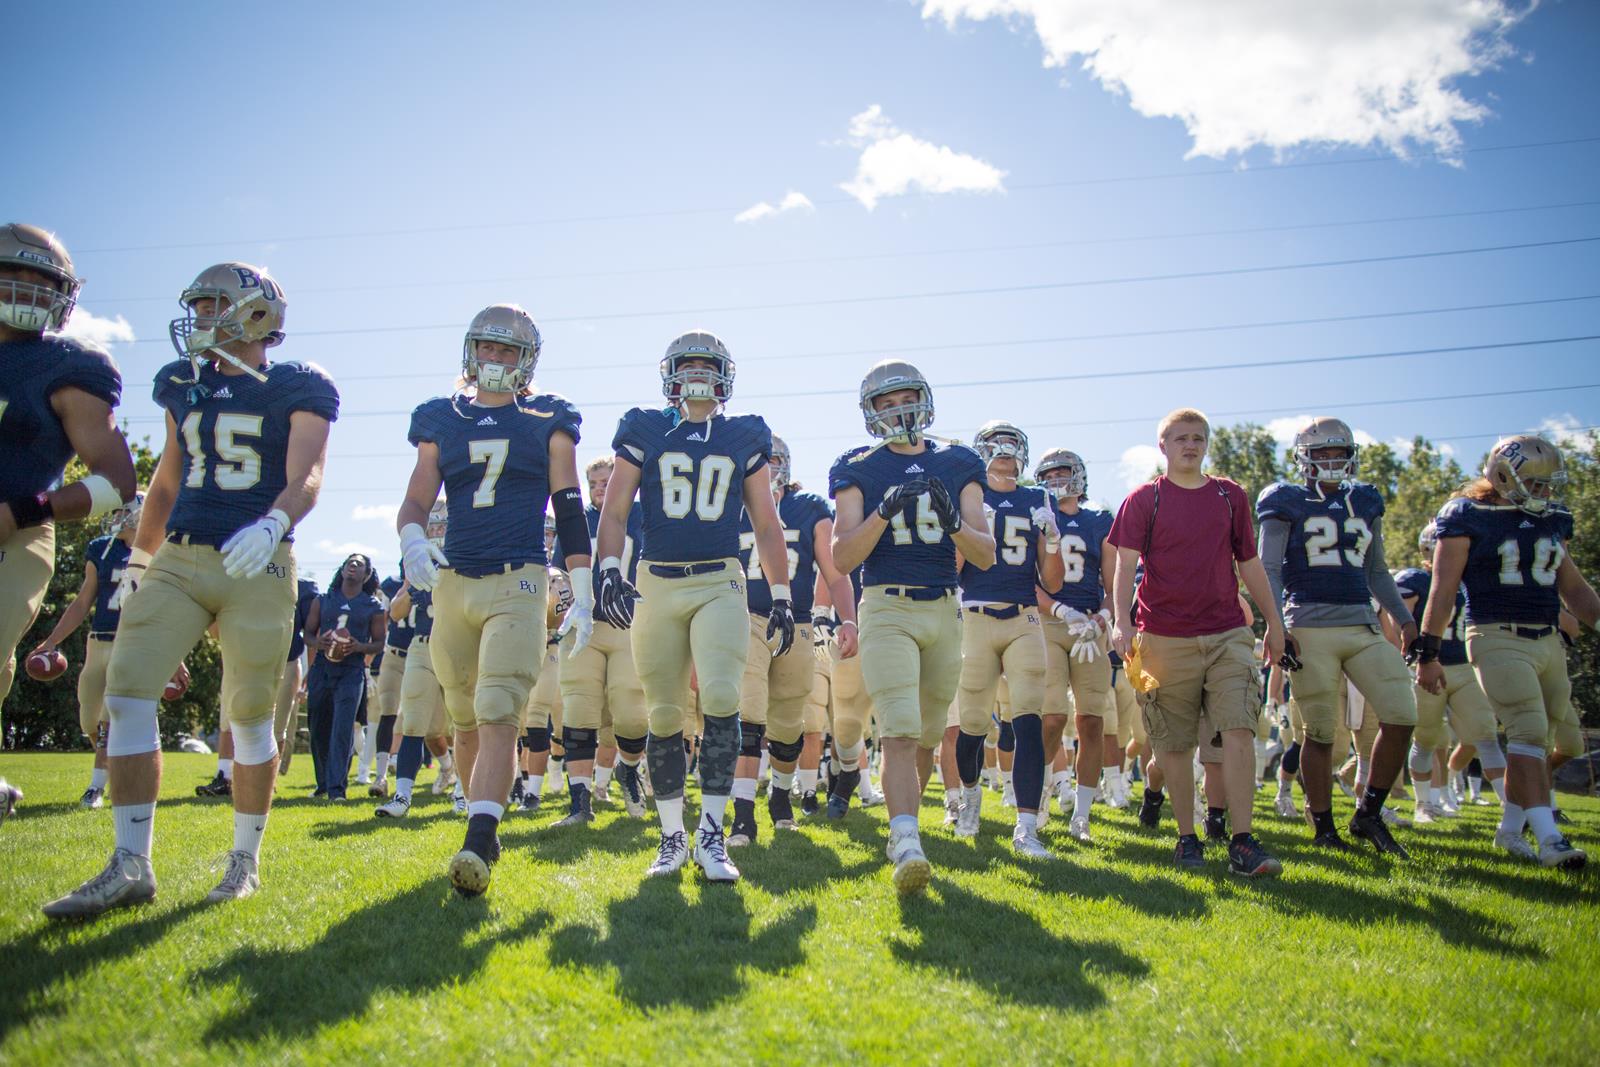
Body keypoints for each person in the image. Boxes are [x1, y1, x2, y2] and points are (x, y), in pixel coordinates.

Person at [43, 262, 337, 918]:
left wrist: (276, 521)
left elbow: (309, 473)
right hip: (180, 554)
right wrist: (142, 562)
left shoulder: (300, 384)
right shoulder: (182, 383)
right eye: (199, 305)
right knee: (125, 690)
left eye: (213, 305)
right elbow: (168, 483)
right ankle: (129, 863)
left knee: (250, 714)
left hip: (257, 561)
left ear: (255, 313)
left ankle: (243, 860)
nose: (201, 317)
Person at [396, 304, 588, 897]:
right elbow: (415, 502)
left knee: (500, 704)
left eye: (507, 351)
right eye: (487, 348)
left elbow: (570, 506)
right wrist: (409, 541)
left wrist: (581, 591)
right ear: (470, 351)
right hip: (454, 582)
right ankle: (487, 817)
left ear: (526, 359)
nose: (495, 360)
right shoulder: (440, 418)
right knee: (462, 715)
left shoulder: (547, 417)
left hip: (520, 576)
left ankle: (479, 838)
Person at [593, 330, 790, 883]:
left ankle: (712, 833)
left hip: (720, 580)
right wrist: (608, 568)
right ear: (670, 372)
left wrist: (780, 595)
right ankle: (671, 835)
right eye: (690, 364)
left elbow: (766, 522)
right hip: (656, 581)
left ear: (726, 374)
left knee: (724, 696)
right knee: (662, 711)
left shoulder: (746, 433)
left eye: (709, 364)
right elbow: (612, 513)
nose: (699, 373)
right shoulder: (644, 426)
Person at [830, 359, 994, 894]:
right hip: (887, 605)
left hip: (945, 606)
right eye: (886, 402)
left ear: (924, 398)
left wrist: (953, 524)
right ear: (870, 412)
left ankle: (906, 828)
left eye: (906, 398)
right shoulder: (858, 465)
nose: (899, 411)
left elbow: (986, 555)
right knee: (898, 727)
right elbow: (842, 556)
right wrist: (881, 513)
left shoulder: (959, 460)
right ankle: (905, 840)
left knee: (926, 734)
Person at [1108, 408, 1284, 877]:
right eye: (1181, 438)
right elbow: (1125, 565)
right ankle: (1187, 838)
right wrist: (1120, 622)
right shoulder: (1144, 499)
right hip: (1163, 635)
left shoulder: (1230, 496)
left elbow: (1250, 563)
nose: (1191, 445)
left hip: (1228, 631)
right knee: (1174, 744)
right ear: (1163, 446)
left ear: (1207, 445)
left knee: (1240, 729)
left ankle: (1242, 842)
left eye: (1198, 438)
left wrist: (1275, 623)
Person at [1417, 435, 1597, 869]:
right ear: (1503, 477)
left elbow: (1573, 588)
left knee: (1551, 735)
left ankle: (1510, 830)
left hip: (1547, 639)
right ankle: (1551, 838)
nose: (1544, 493)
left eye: (1547, 484)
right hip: (1496, 634)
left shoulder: (1553, 519)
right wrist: (1428, 653)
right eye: (1534, 484)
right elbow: (1441, 593)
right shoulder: (1468, 516)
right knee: (1529, 730)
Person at [2, 223, 137, 779]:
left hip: (17, 527)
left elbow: (118, 481)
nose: (30, 292)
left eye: (42, 281)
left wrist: (26, 510)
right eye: (15, 277)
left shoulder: (66, 366)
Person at [1257, 416, 1417, 856]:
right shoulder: (1284, 498)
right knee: (1321, 731)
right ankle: (1324, 826)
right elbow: (1267, 567)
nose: (1330, 461)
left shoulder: (1364, 499)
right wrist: (1277, 625)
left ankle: (1368, 813)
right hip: (1308, 623)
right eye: (1321, 453)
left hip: (1362, 623)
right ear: (1303, 457)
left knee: (1402, 714)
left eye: (1338, 453)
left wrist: (1405, 621)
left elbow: (1377, 570)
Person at [729, 434, 853, 845]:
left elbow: (835, 573)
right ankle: (742, 815)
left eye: (777, 459)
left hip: (797, 623)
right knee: (747, 716)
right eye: (764, 460)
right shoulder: (730, 505)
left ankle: (780, 799)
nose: (771, 467)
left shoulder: (811, 508)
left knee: (788, 724)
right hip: (745, 617)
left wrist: (847, 619)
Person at [951, 421, 1062, 857]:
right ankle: (971, 798)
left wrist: (1051, 537)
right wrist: (970, 528)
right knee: (974, 724)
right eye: (995, 444)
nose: (1003, 451)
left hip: (1024, 618)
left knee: (1028, 718)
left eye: (1011, 443)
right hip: (976, 615)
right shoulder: (969, 492)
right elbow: (954, 567)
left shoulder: (1037, 498)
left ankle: (1027, 827)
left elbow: (1051, 582)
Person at [30, 493, 145, 807]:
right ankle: (115, 770)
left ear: (139, 514)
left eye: (123, 511)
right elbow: (83, 601)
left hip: (132, 644)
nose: (117, 516)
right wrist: (52, 641)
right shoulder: (102, 549)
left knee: (110, 719)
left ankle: (95, 788)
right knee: (89, 720)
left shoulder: (157, 552)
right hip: (98, 642)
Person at [552, 456, 648, 820]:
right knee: (578, 708)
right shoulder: (575, 520)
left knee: (631, 713)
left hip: (628, 624)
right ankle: (579, 802)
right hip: (583, 625)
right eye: (593, 483)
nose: (599, 489)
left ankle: (627, 767)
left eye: (607, 481)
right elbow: (558, 572)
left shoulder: (641, 515)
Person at [1392, 522, 1504, 823]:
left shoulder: (1469, 582)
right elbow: (1395, 622)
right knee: (1426, 738)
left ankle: (1512, 807)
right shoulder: (1415, 579)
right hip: (1426, 666)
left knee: (1486, 734)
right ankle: (1423, 804)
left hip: (1466, 667)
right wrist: (1403, 659)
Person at [1033, 447, 1118, 841]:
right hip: (1050, 622)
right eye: (1049, 473)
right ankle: (1042, 797)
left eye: (1063, 471)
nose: (1056, 479)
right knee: (1051, 718)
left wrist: (1102, 617)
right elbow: (1027, 581)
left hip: (1090, 626)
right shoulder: (1037, 515)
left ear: (1079, 474)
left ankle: (1082, 814)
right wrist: (1060, 611)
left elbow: (1114, 581)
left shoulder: (1100, 519)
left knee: (1092, 721)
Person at [375, 503, 455, 819]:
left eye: (441, 525)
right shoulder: (417, 562)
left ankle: (463, 793)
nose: (437, 532)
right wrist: (413, 584)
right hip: (422, 644)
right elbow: (395, 612)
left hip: (457, 643)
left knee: (463, 723)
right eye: (431, 526)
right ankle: (402, 796)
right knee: (413, 722)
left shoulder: (464, 553)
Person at [303, 554, 386, 801]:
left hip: (351, 671)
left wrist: (359, 646)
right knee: (318, 727)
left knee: (342, 728)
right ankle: (323, 784)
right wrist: (319, 643)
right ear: (342, 569)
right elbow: (307, 633)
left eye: (359, 564)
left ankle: (337, 789)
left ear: (367, 575)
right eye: (350, 562)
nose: (353, 565)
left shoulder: (373, 606)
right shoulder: (324, 600)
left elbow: (380, 642)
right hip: (321, 668)